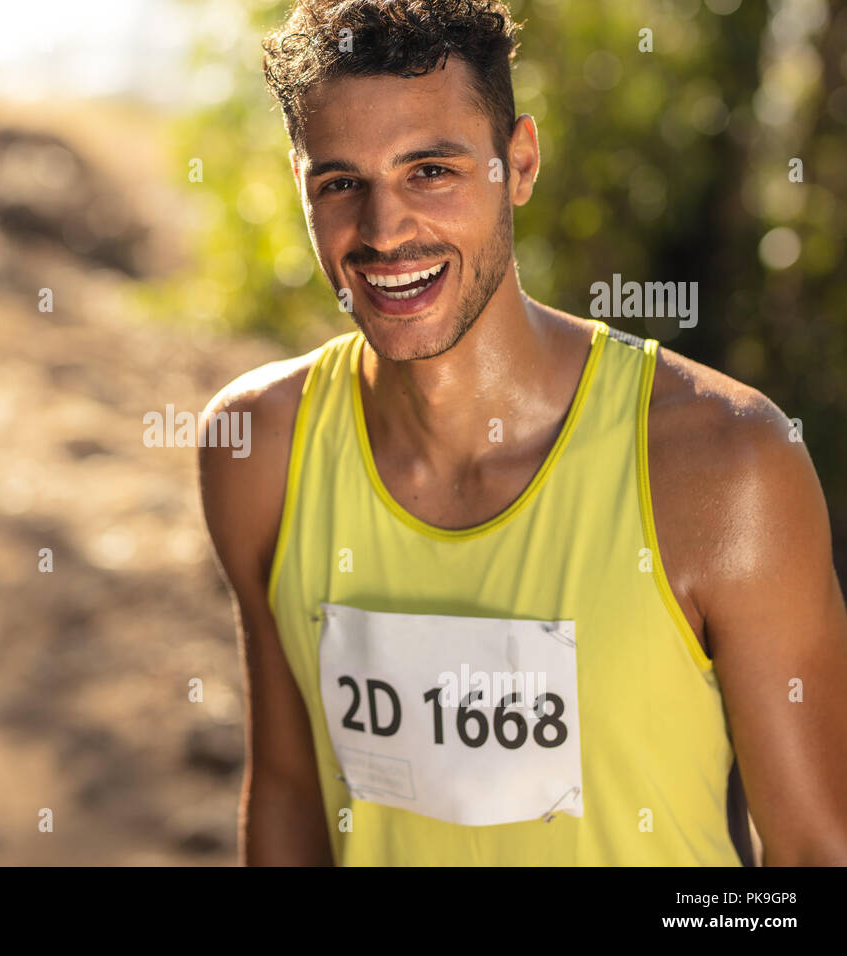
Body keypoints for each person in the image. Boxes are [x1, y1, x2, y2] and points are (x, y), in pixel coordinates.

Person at [197, 0, 847, 866]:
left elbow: (815, 851)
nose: (386, 232)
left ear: (521, 162)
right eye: (342, 182)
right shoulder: (256, 450)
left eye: (431, 171)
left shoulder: (725, 463)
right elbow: (287, 791)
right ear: (300, 187)